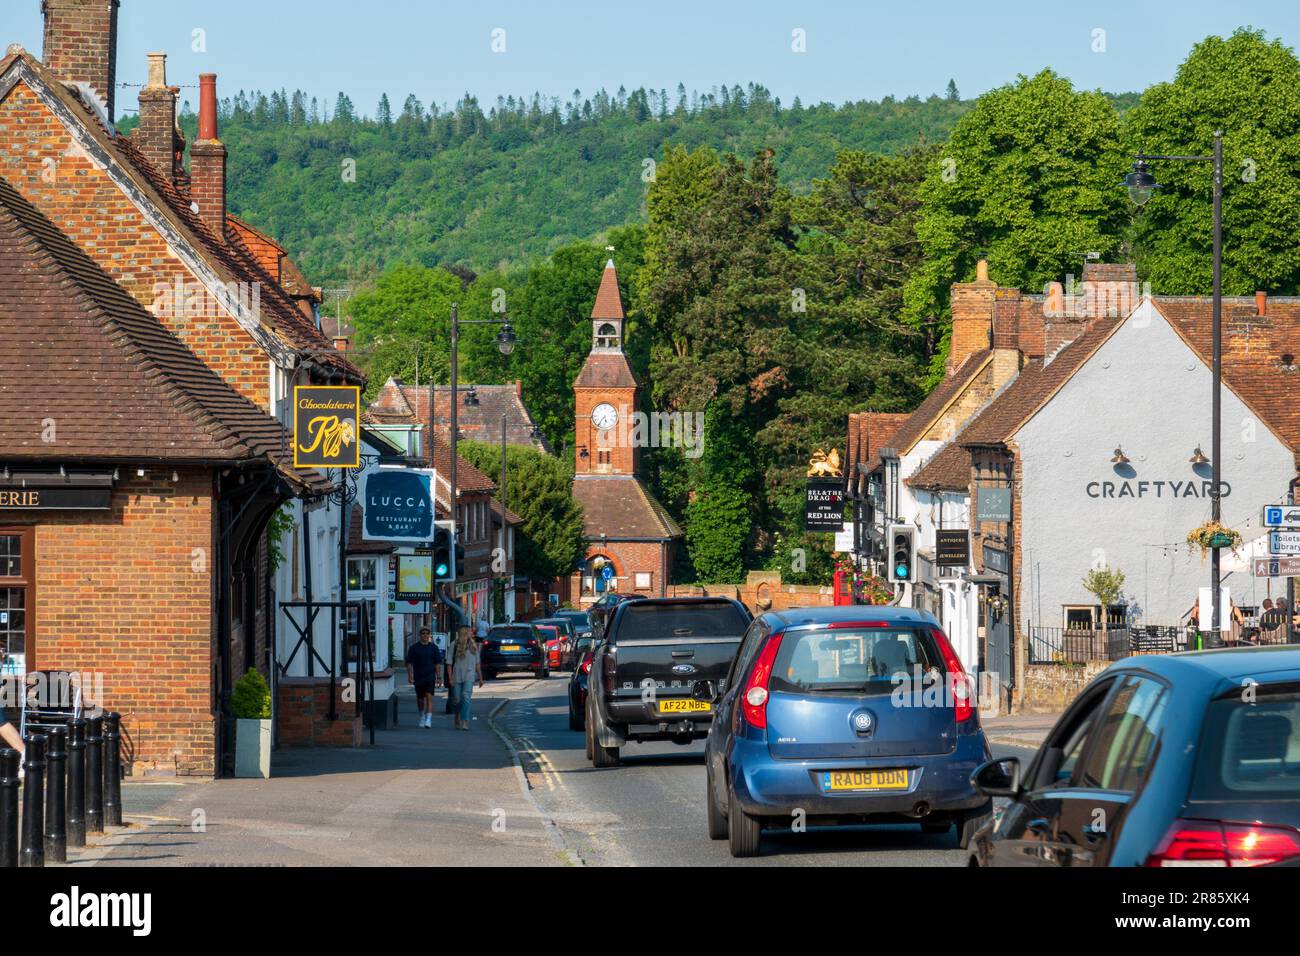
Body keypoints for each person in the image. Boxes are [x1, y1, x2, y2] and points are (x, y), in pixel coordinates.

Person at [406, 626, 443, 729]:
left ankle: (428, 719)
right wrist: (410, 675)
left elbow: (437, 663)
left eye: (427, 633)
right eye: (423, 633)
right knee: (420, 699)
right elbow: (409, 663)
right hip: (418, 676)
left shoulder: (434, 648)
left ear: (429, 635)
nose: (425, 635)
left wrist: (439, 677)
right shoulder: (414, 648)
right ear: (420, 635)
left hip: (430, 676)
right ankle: (422, 715)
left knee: (429, 697)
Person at [448, 626, 484, 731]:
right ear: (464, 633)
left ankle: (465, 721)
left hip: (469, 675)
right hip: (457, 676)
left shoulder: (473, 646)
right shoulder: (454, 645)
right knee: (457, 700)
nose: (472, 634)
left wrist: (481, 678)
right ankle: (457, 716)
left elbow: (477, 663)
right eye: (470, 632)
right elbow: (449, 663)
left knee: (466, 697)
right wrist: (450, 677)